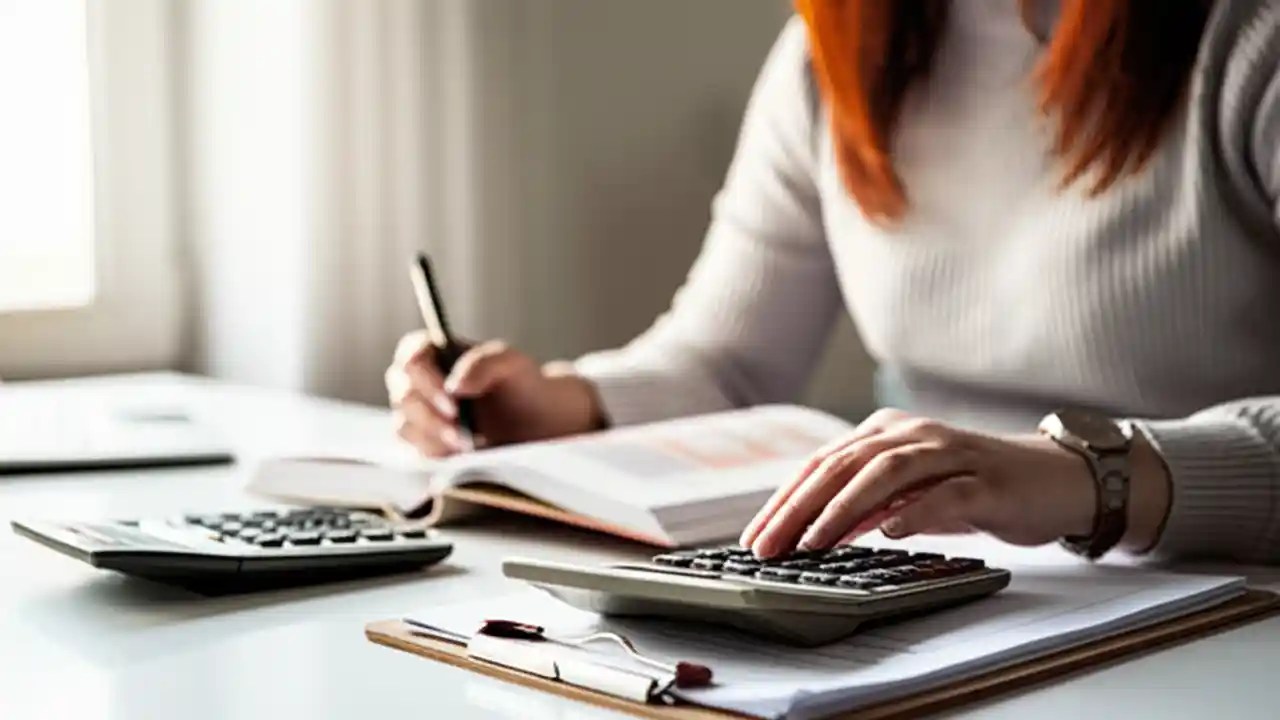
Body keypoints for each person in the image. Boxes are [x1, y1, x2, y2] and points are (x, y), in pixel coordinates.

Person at [386, 0, 1280, 564]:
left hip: (1225, 607)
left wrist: (1090, 478)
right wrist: (564, 404)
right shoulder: (838, 52)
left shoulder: (1249, 39)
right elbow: (728, 362)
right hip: (968, 597)